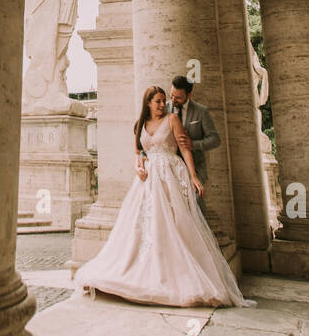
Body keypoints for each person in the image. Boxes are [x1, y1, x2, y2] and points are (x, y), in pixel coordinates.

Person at [72, 86, 255, 308]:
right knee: (141, 223)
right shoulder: (141, 124)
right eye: (157, 101)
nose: (162, 104)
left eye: (162, 100)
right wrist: (138, 166)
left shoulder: (172, 120)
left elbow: (185, 148)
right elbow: (138, 153)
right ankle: (138, 270)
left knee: (173, 221)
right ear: (148, 103)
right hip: (147, 179)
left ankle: (175, 273)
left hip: (169, 173)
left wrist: (194, 176)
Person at [167, 75, 220, 218]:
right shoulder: (164, 108)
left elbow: (215, 139)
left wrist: (193, 144)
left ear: (189, 95)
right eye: (171, 95)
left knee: (195, 200)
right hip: (170, 166)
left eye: (177, 97)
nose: (173, 100)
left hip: (196, 166)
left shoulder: (201, 112)